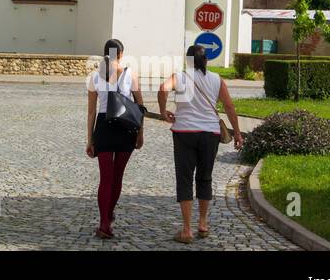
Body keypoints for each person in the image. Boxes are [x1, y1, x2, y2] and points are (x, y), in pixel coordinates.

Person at [157, 44, 243, 243]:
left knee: (185, 178)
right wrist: (237, 133)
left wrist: (163, 111)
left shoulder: (179, 76)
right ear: (205, 61)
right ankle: (202, 224)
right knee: (205, 177)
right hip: (210, 134)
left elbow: (163, 89)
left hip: (184, 132)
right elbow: (229, 106)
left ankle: (186, 230)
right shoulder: (216, 79)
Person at [85, 38, 144, 239]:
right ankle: (109, 215)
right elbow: (139, 107)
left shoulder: (94, 77)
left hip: (103, 126)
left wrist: (90, 139)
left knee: (105, 178)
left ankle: (104, 223)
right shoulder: (130, 74)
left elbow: (91, 112)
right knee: (117, 177)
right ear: (120, 54)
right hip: (126, 126)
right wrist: (140, 133)